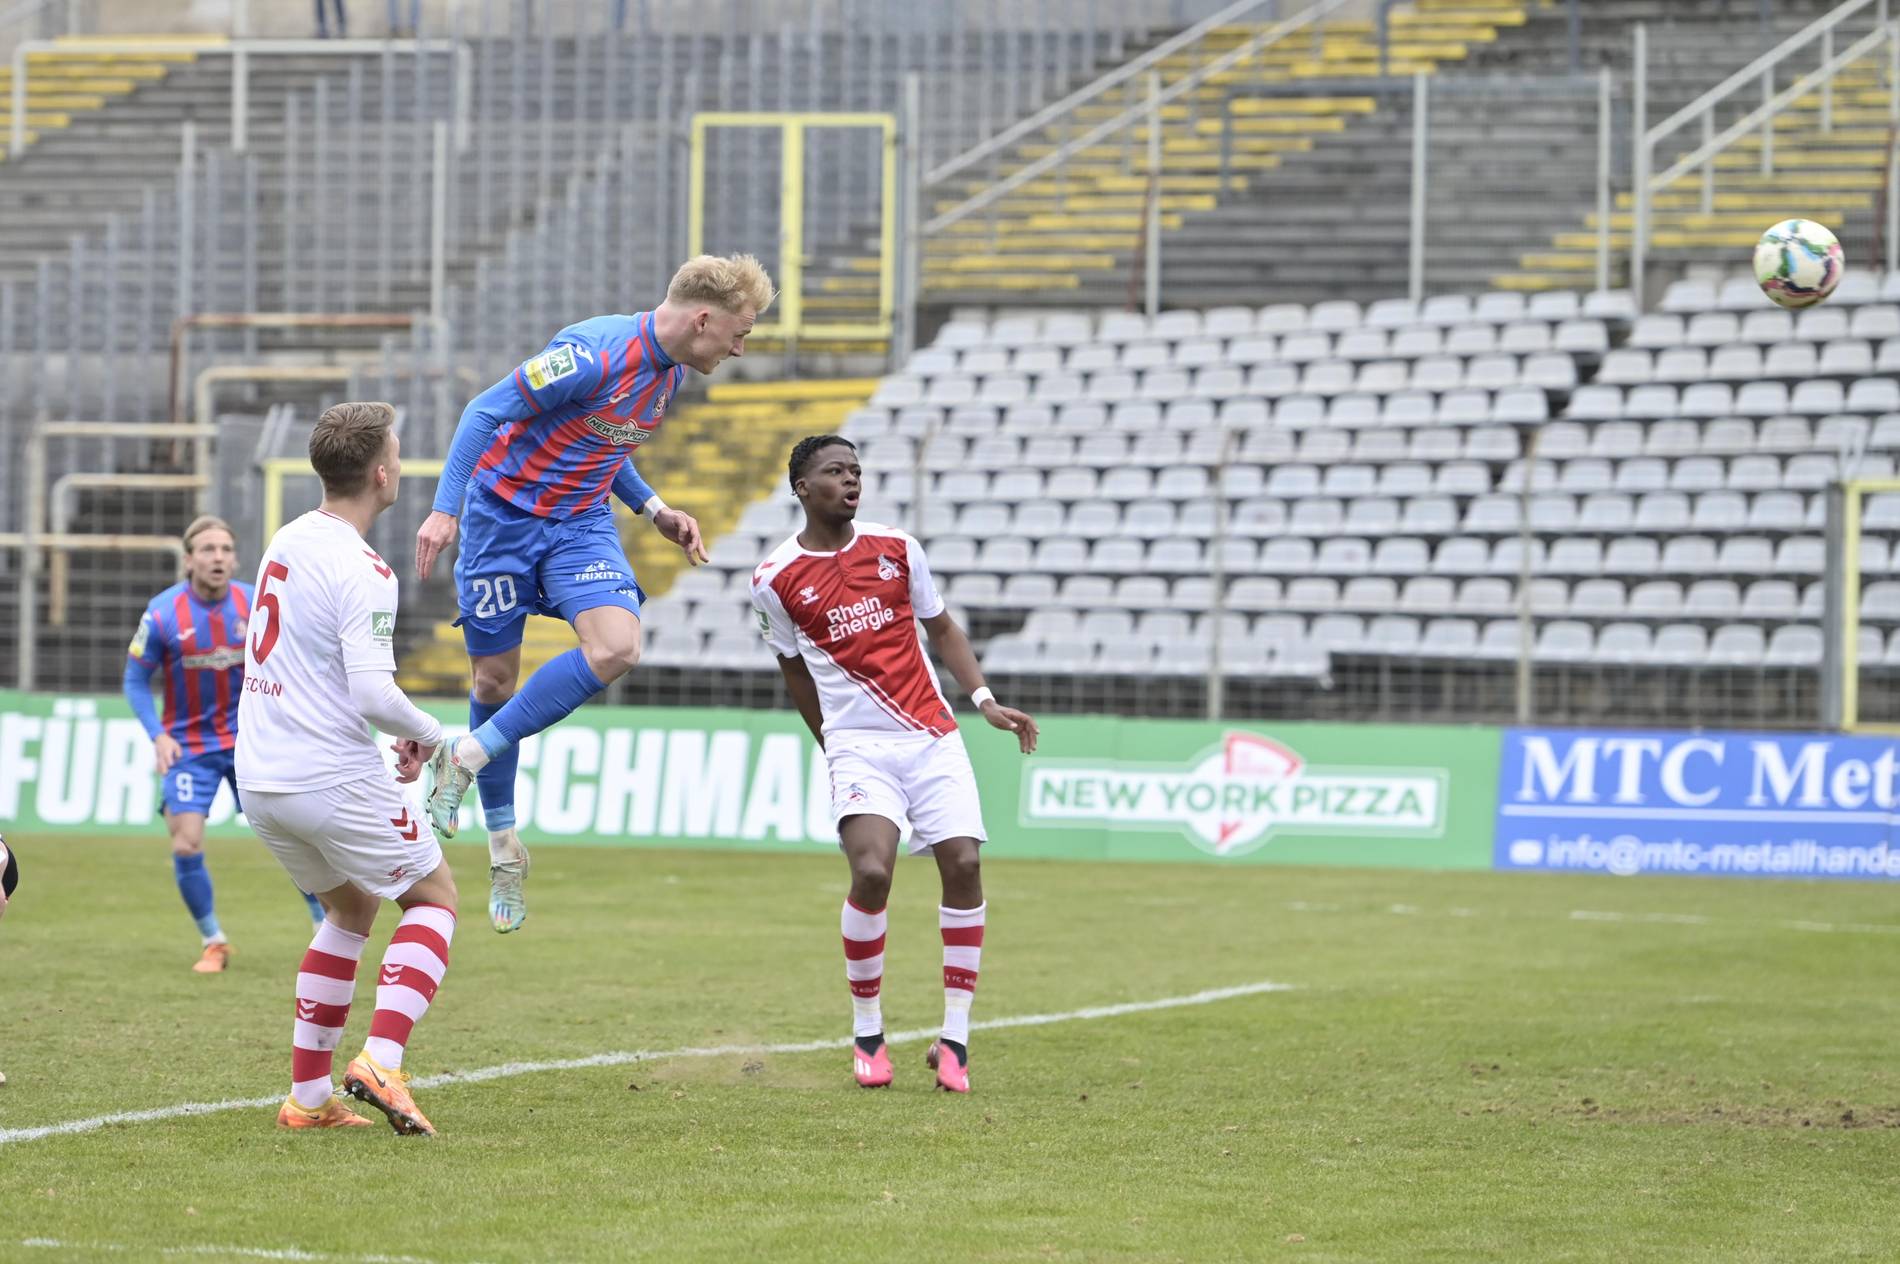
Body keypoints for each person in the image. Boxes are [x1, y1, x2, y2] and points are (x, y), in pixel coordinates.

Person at [414, 253, 773, 935]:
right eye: (740, 332)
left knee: (618, 646)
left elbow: (603, 445)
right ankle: (503, 848)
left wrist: (653, 508)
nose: (739, 346)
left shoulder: (669, 373)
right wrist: (444, 508)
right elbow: (483, 409)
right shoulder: (590, 355)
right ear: (704, 319)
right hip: (501, 520)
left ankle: (463, 754)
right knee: (493, 678)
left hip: (579, 525)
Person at [751, 435, 1039, 1094]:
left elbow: (943, 629)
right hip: (858, 746)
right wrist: (833, 743)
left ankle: (955, 1040)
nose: (850, 481)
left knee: (964, 864)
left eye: (856, 470)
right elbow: (793, 671)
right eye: (835, 471)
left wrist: (986, 701)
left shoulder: (898, 548)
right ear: (802, 487)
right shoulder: (774, 580)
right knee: (873, 870)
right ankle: (868, 1031)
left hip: (931, 736)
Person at [238, 401, 458, 1135]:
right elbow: (371, 691)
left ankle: (307, 1101)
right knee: (433, 899)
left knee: (350, 909)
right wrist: (431, 734)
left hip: (262, 777)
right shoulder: (366, 568)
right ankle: (382, 1060)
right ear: (382, 472)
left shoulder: (288, 538)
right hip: (326, 771)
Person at [124, 516, 325, 973]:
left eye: (225, 549)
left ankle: (322, 923)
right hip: (188, 747)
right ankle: (214, 941)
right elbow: (135, 679)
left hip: (250, 741)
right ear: (189, 559)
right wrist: (158, 735)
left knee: (294, 835)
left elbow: (287, 664)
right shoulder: (160, 614)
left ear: (234, 558)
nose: (218, 557)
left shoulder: (255, 603)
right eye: (208, 549)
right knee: (186, 845)